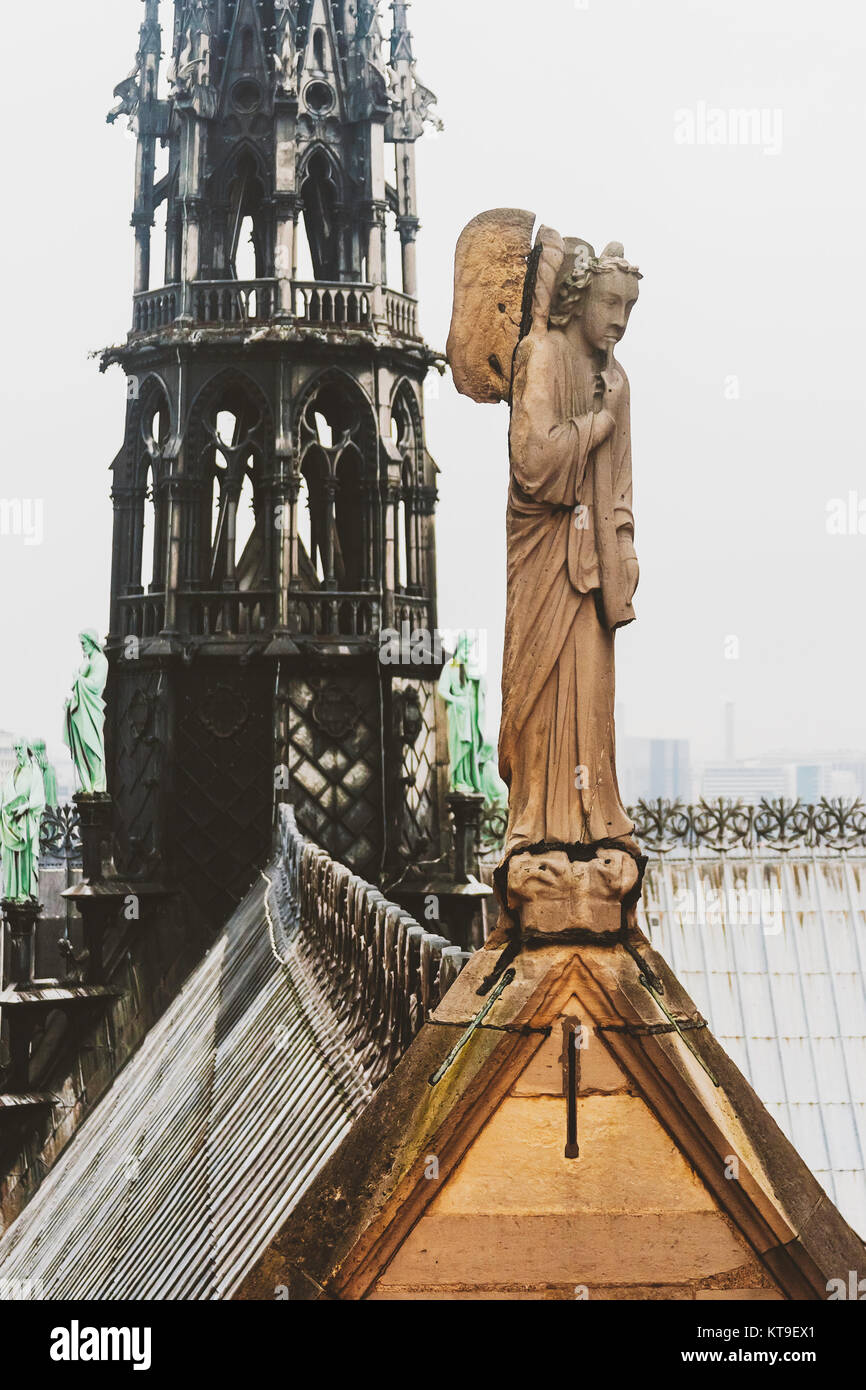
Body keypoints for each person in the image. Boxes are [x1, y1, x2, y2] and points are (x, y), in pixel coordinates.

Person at [63, 630, 109, 796]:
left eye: (83, 644)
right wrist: (71, 702)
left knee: (92, 747)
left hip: (92, 711)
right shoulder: (88, 660)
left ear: (92, 642)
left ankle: (97, 784)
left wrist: (78, 679)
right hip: (82, 709)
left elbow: (96, 686)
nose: (82, 648)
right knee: (81, 747)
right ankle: (87, 784)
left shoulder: (101, 661)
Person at [0, 739, 46, 902]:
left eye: (20, 748)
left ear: (27, 749)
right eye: (16, 749)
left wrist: (25, 807)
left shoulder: (35, 772)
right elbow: (4, 794)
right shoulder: (12, 772)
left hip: (26, 824)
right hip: (10, 825)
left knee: (25, 859)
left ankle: (24, 892)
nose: (18, 752)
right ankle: (12, 892)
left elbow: (40, 799)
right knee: (10, 858)